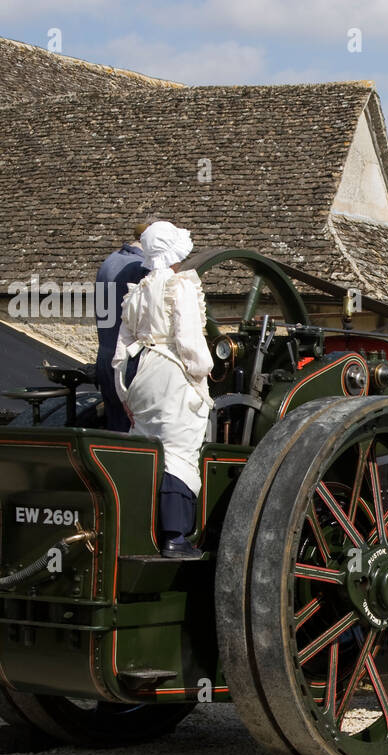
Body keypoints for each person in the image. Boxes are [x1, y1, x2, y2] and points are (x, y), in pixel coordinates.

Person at [113, 221, 213, 559]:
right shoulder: (179, 286)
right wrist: (203, 370)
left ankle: (140, 527)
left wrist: (124, 391)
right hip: (171, 371)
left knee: (148, 447)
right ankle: (175, 537)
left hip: (142, 371)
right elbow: (188, 340)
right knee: (179, 451)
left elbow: (121, 346)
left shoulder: (137, 290)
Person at [94, 219, 154, 431]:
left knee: (115, 427)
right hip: (129, 361)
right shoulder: (141, 267)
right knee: (134, 430)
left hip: (104, 355)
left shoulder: (109, 262)